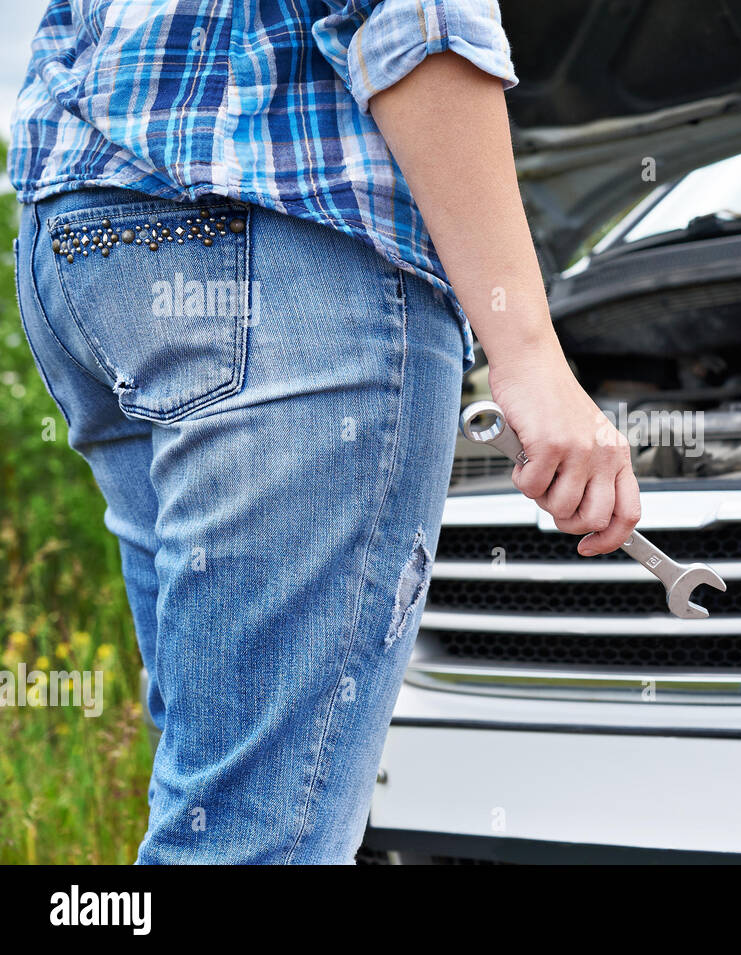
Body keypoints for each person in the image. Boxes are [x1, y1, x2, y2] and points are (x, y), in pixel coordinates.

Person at [9, 0, 640, 864]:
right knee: (259, 836)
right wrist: (526, 351)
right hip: (280, 243)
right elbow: (416, 18)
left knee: (213, 789)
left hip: (89, 243)